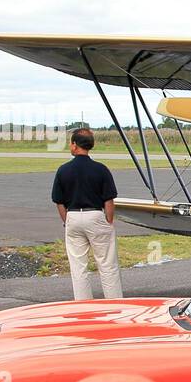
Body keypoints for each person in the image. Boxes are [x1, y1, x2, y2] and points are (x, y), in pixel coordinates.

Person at [51, 127, 122, 300]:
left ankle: (83, 307)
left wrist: (66, 221)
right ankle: (115, 304)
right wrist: (109, 221)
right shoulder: (101, 169)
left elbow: (59, 201)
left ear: (75, 145)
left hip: (73, 216)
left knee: (78, 267)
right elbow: (109, 200)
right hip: (96, 215)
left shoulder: (63, 170)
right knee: (107, 265)